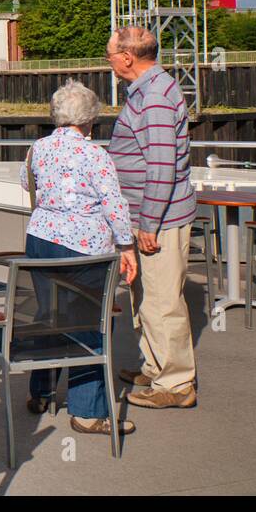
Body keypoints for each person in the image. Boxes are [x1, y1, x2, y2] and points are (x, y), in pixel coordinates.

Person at [21, 80, 139, 436]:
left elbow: (27, 184)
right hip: (84, 247)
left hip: (41, 239)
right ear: (89, 119)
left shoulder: (37, 148)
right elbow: (114, 204)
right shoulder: (96, 155)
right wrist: (126, 246)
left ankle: (41, 391)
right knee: (90, 322)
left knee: (49, 313)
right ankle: (87, 410)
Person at [106, 26, 198, 409]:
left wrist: (148, 223)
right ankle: (155, 365)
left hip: (157, 217)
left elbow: (161, 167)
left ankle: (175, 385)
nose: (108, 61)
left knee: (162, 301)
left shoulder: (156, 98)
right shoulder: (147, 92)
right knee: (144, 297)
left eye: (110, 54)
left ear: (127, 57)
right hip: (146, 215)